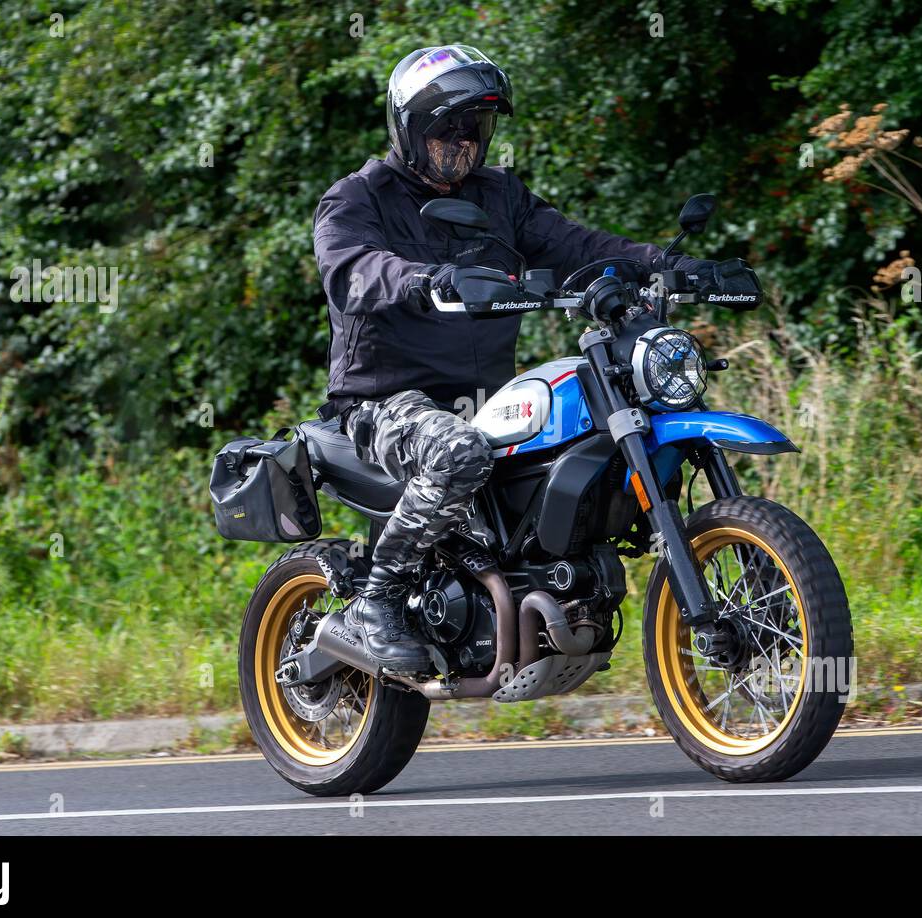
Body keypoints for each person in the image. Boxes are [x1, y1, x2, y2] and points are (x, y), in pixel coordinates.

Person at [312, 44, 750, 672]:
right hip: (383, 402)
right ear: (408, 128)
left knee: (580, 419)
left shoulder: (499, 196)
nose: (464, 142)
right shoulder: (357, 198)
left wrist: (667, 264)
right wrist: (425, 280)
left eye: (476, 128)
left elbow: (578, 245)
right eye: (449, 128)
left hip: (482, 400)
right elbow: (350, 270)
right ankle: (373, 605)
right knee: (456, 450)